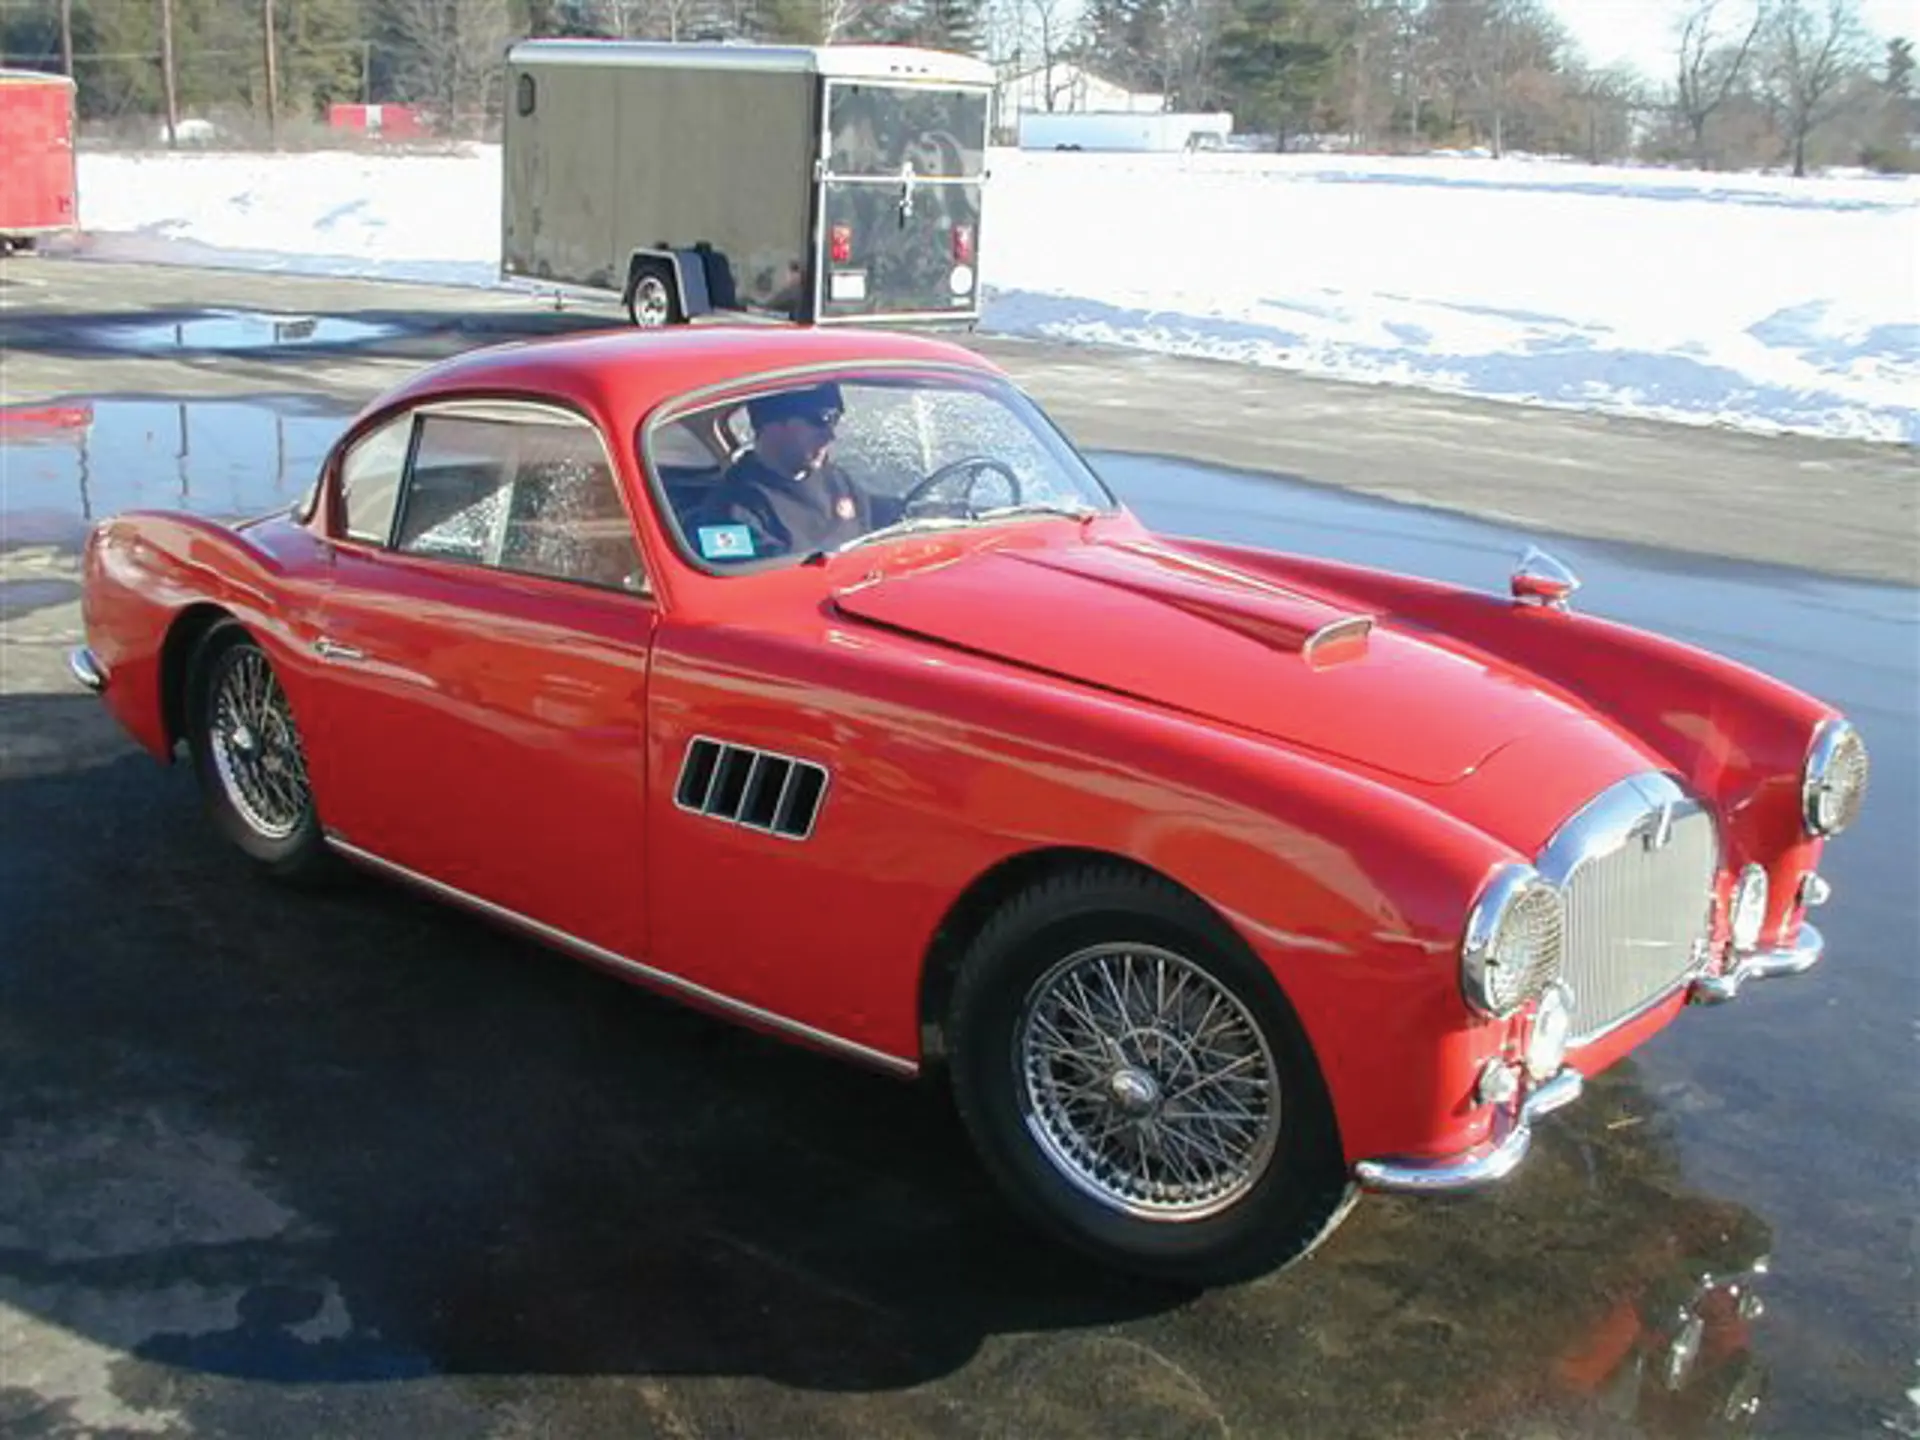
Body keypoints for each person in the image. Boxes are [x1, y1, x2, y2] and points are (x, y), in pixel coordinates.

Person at [690, 382, 876, 563]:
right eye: (821, 420)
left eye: (835, 420)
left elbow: (874, 542)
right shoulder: (731, 510)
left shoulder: (839, 481)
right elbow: (767, 586)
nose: (830, 435)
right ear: (773, 426)